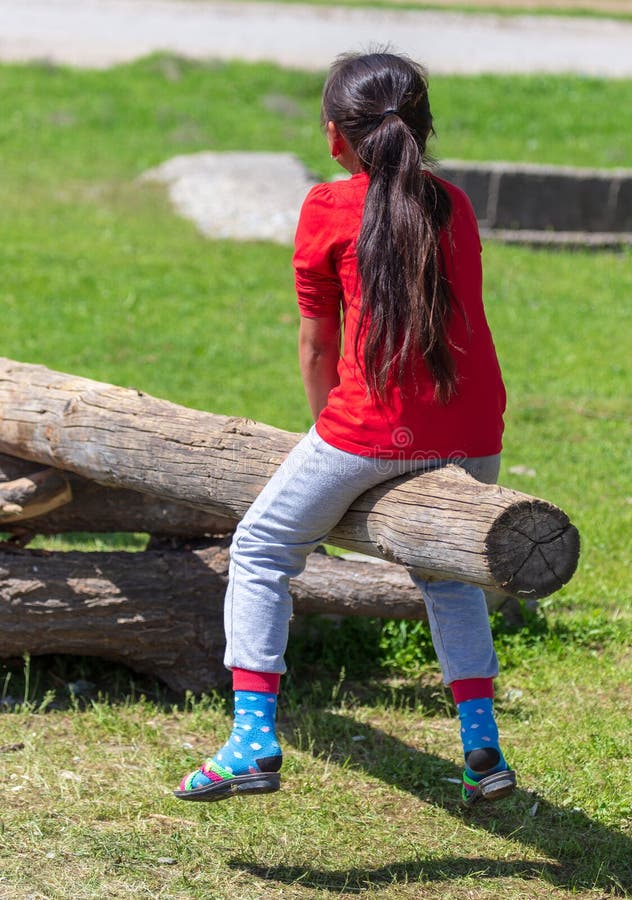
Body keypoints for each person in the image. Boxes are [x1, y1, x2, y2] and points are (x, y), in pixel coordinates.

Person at [175, 50, 515, 805]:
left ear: (334, 137)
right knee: (447, 572)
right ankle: (482, 748)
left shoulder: (327, 208)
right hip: (476, 429)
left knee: (262, 548)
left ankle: (253, 741)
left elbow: (316, 344)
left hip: (372, 430)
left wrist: (327, 432)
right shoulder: (453, 204)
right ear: (422, 127)